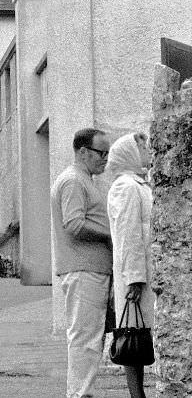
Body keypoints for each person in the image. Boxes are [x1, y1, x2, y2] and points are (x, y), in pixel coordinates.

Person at [50, 127, 113, 398]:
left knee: (89, 338)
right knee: (85, 339)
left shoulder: (84, 179)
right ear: (83, 151)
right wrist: (110, 234)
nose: (105, 159)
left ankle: (81, 393)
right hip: (83, 269)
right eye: (101, 153)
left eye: (108, 154)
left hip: (90, 268)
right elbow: (74, 224)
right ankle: (79, 394)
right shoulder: (74, 180)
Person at [106, 132, 153, 398]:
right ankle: (137, 394)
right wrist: (135, 277)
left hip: (144, 270)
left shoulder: (139, 184)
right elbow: (128, 234)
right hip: (136, 275)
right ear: (130, 154)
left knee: (141, 333)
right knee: (132, 334)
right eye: (143, 147)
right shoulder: (125, 187)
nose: (148, 151)